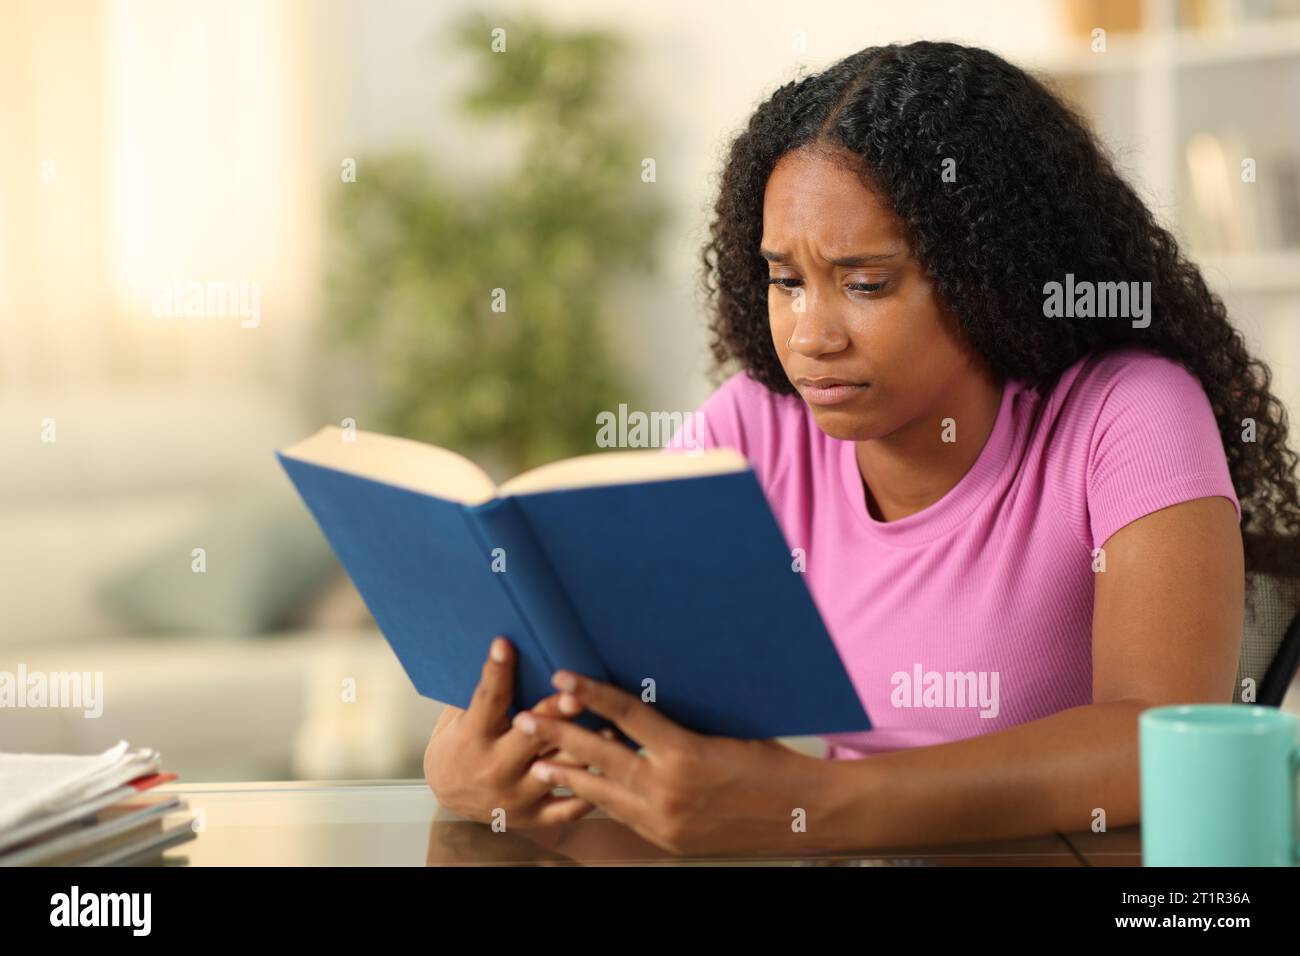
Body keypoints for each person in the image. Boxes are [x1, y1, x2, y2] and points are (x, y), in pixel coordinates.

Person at [424, 40, 1300, 856]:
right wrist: (471, 763)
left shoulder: (1129, 410)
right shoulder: (751, 429)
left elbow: (1155, 737)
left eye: (866, 283)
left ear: (989, 272)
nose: (810, 336)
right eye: (786, 280)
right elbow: (594, 666)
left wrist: (815, 803)